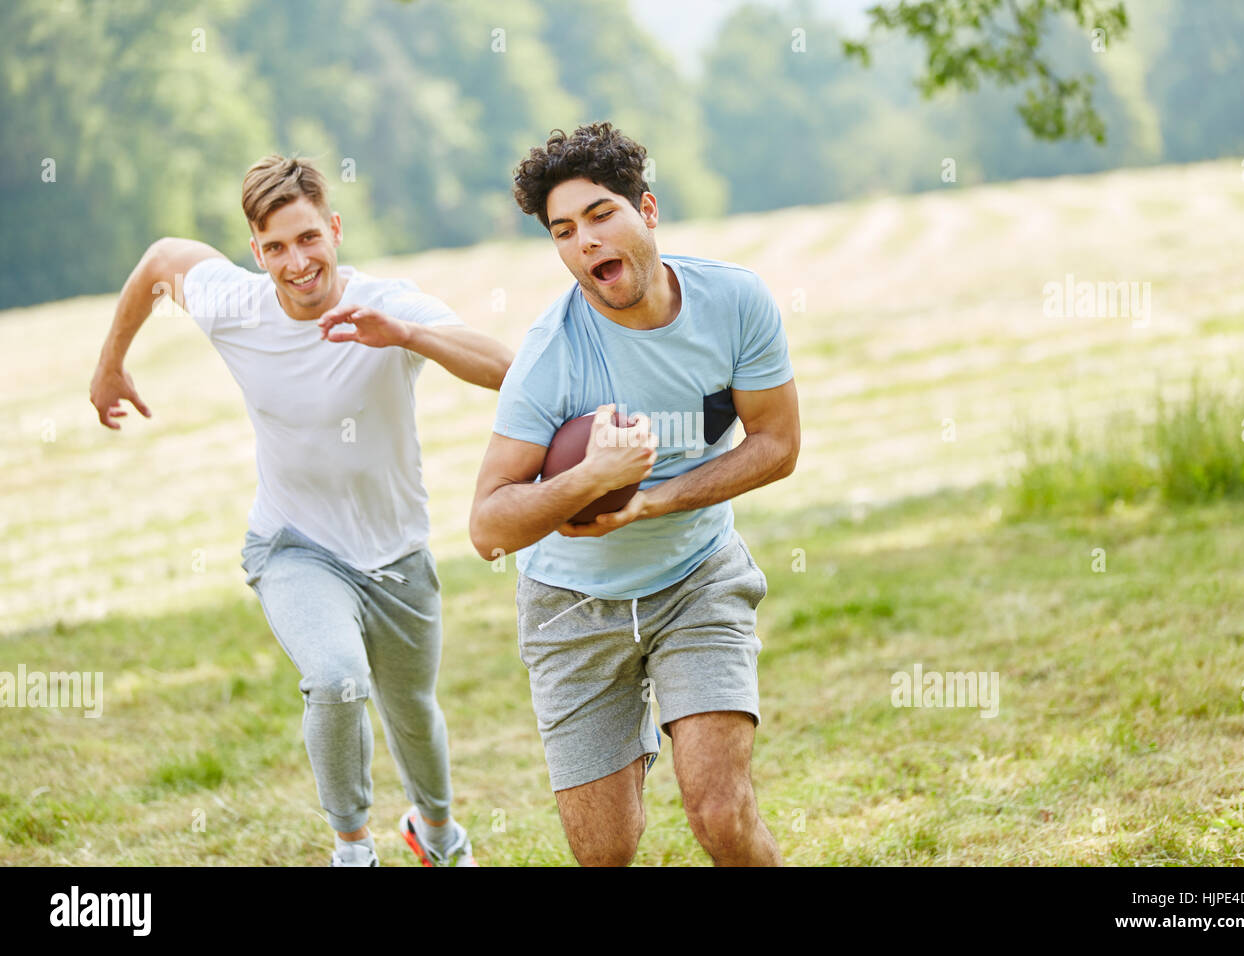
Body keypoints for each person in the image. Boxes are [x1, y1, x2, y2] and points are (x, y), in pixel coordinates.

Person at [89, 155, 512, 867]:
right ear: (255, 252)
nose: (297, 262)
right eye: (277, 247)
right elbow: (161, 259)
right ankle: (352, 848)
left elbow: (504, 366)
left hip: (397, 554)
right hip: (294, 546)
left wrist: (405, 336)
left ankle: (436, 832)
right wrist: (109, 364)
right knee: (337, 678)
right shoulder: (236, 304)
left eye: (308, 238)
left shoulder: (388, 305)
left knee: (413, 713)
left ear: (335, 229)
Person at [469, 123, 800, 866]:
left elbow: (777, 444)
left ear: (646, 212)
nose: (584, 242)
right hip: (571, 608)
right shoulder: (548, 358)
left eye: (600, 215)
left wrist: (651, 500)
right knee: (605, 854)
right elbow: (487, 527)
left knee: (720, 812)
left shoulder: (734, 302)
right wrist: (590, 481)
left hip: (696, 578)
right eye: (563, 231)